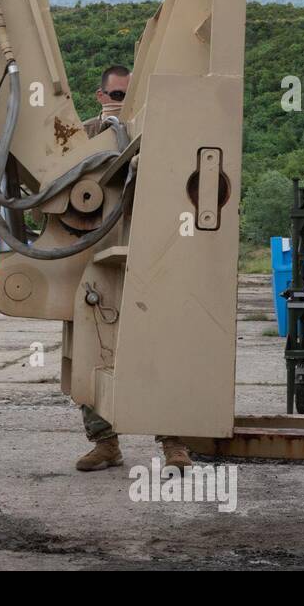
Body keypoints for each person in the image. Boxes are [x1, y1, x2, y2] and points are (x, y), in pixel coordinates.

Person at [75, 65, 194, 472]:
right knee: (91, 351)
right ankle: (105, 442)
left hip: (150, 255)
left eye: (130, 96)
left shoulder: (156, 133)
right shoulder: (84, 135)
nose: (123, 104)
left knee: (160, 350)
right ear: (101, 95)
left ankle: (174, 445)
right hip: (97, 253)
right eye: (117, 96)